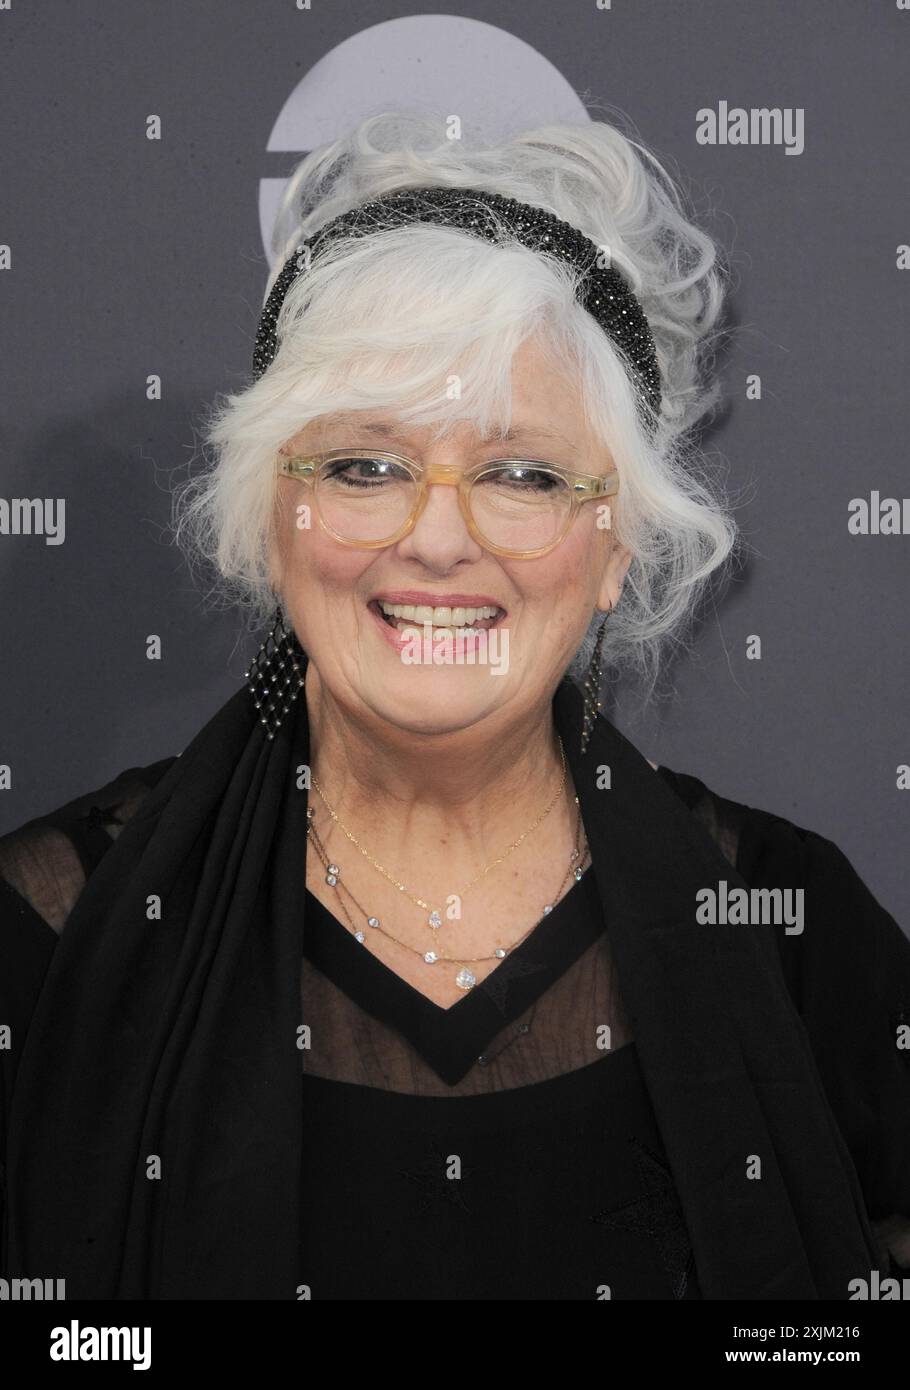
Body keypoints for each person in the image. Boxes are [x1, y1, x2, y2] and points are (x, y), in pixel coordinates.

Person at [1, 111, 908, 1301]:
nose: (436, 538)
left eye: (522, 473)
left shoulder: (793, 933)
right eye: (365, 466)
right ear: (275, 517)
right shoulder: (48, 936)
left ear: (615, 543)